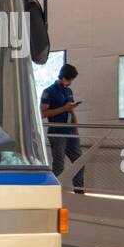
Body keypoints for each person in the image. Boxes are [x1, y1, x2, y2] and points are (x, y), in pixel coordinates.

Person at [41, 63, 84, 194]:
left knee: (80, 162)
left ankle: (79, 191)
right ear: (64, 77)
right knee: (59, 165)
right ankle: (54, 193)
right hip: (57, 133)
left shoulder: (69, 91)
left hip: (71, 132)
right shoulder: (49, 92)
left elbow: (70, 110)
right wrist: (64, 109)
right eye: (70, 79)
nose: (71, 82)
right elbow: (43, 114)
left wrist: (76, 127)